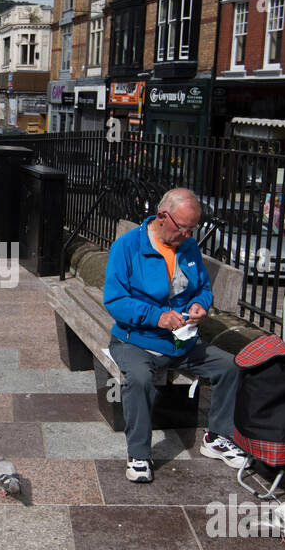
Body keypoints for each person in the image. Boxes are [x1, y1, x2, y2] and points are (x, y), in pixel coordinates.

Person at [104, 187, 251, 483]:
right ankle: (139, 454)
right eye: (183, 228)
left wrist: (200, 305)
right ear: (162, 217)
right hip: (136, 339)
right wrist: (157, 317)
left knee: (231, 366)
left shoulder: (188, 247)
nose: (187, 235)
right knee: (141, 380)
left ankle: (217, 438)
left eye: (192, 229)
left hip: (182, 340)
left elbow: (203, 289)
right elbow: (115, 301)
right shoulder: (127, 247)